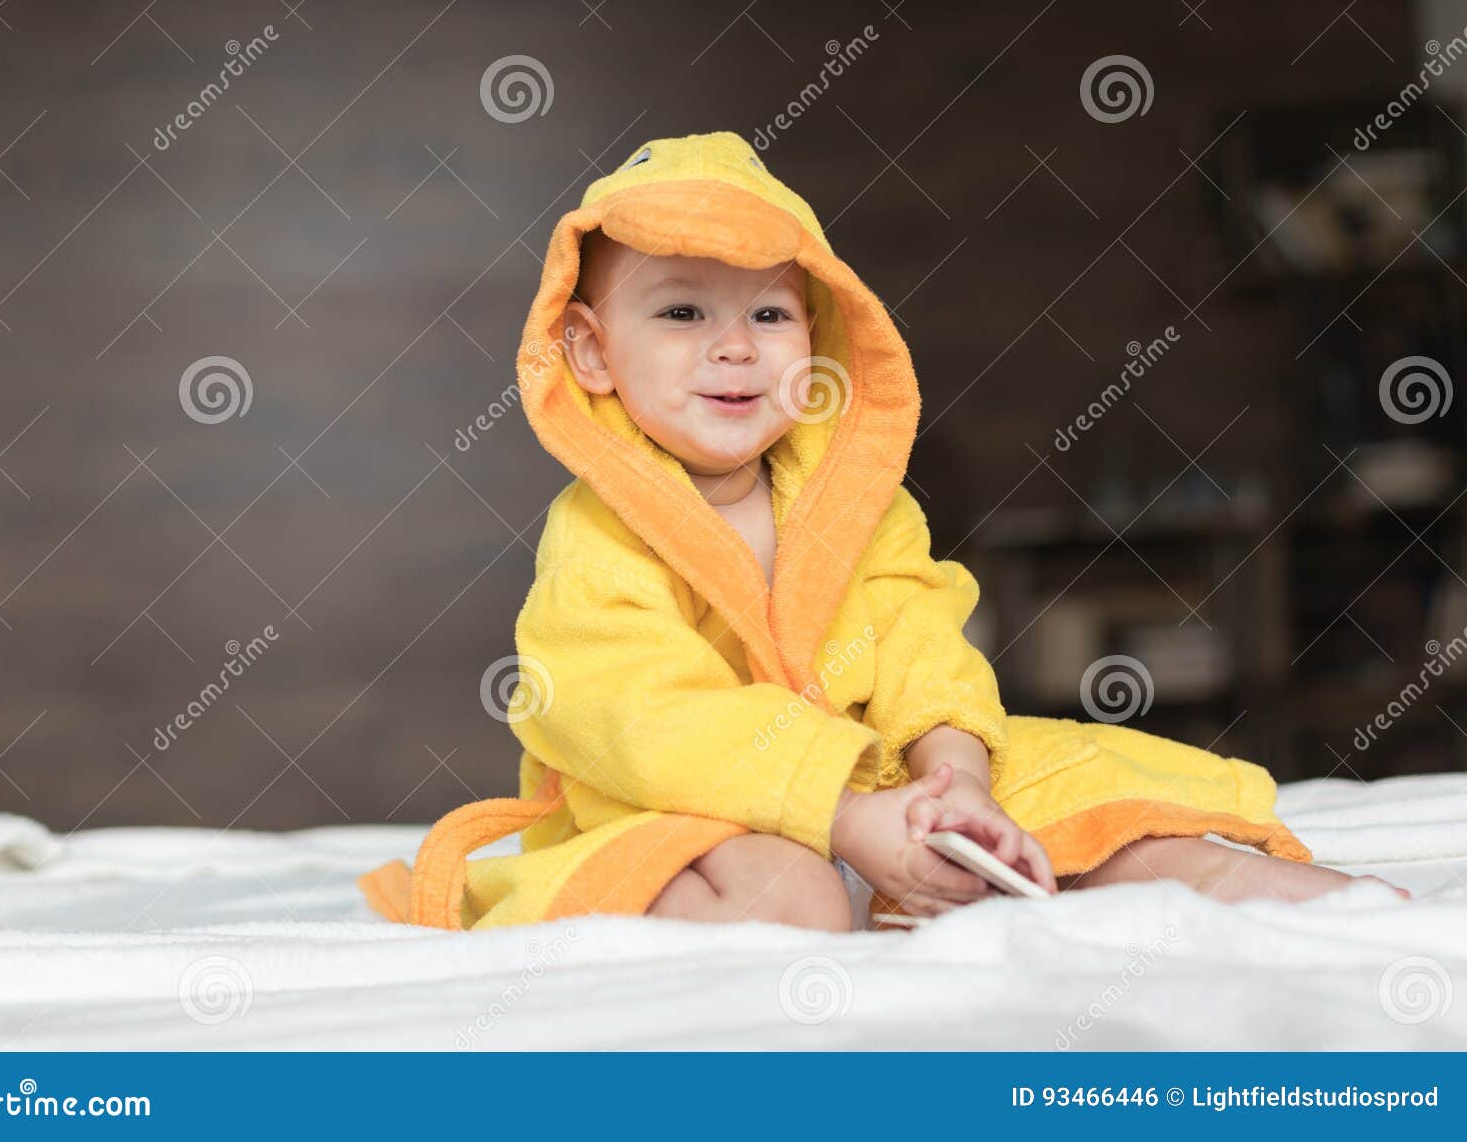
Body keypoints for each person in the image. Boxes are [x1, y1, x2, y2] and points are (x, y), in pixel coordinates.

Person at [358, 131, 1408, 933]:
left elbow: (918, 632)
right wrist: (839, 817)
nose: (733, 349)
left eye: (767, 316)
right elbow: (641, 715)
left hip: (881, 785)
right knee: (787, 893)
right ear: (589, 351)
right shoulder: (599, 535)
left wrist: (952, 771)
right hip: (682, 806)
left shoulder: (852, 500)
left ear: (813, 337)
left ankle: (1346, 918)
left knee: (1102, 803)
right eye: (682, 313)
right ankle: (865, 900)